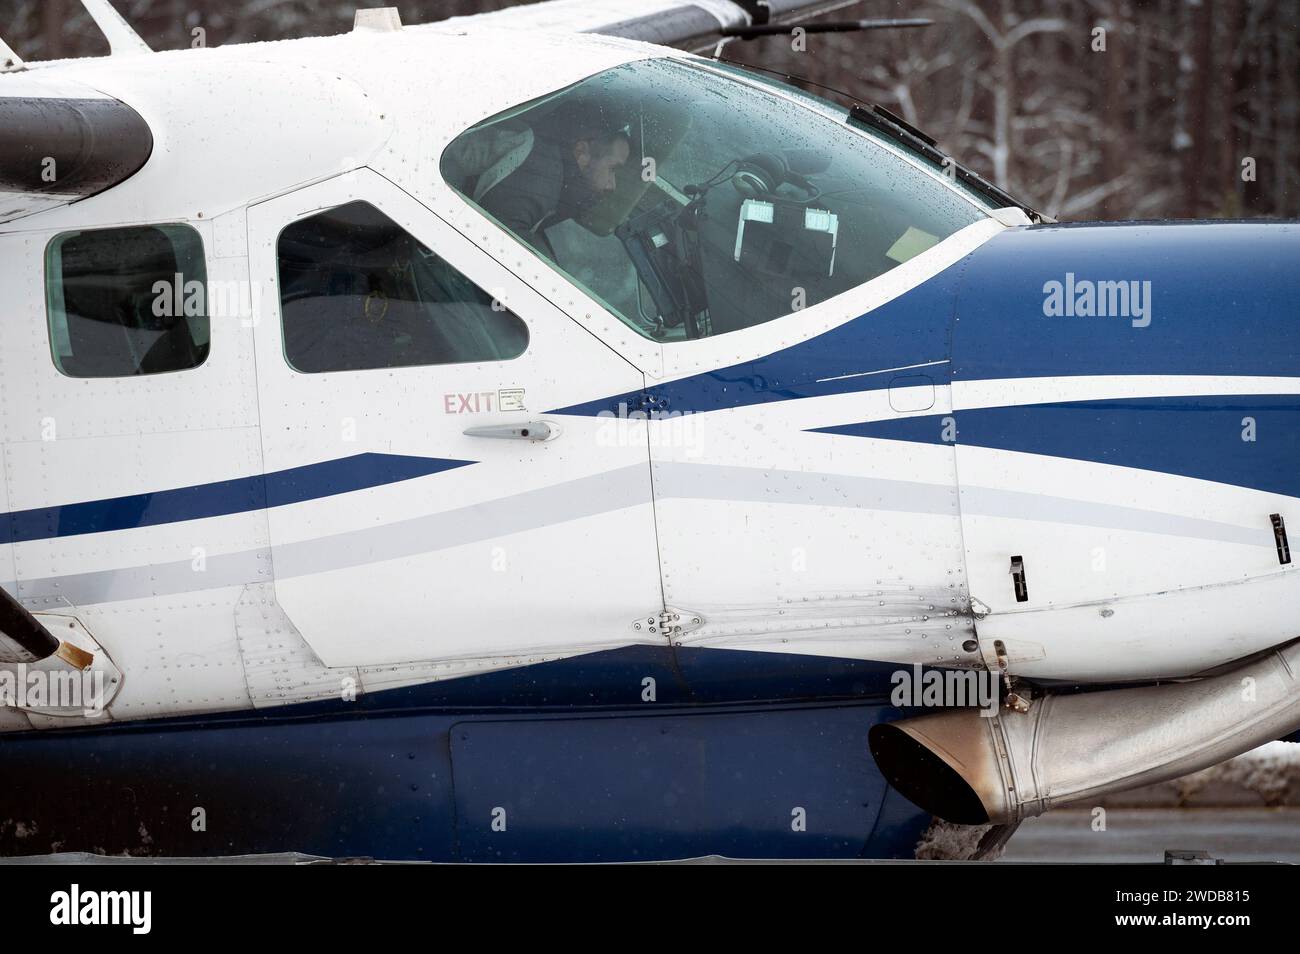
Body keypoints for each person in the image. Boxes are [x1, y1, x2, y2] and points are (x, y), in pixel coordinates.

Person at [469, 104, 631, 258]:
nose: (612, 185)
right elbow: (497, 241)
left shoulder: (556, 176)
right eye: (612, 169)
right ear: (581, 152)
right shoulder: (541, 176)